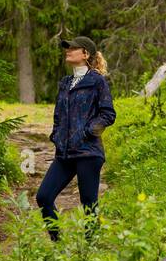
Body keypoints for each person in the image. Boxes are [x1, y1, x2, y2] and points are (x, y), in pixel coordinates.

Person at [36, 35, 116, 241]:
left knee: (88, 202)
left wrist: (88, 131)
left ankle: (90, 249)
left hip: (88, 152)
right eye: (67, 48)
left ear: (85, 54)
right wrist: (56, 134)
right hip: (64, 153)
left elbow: (108, 114)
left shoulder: (97, 81)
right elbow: (58, 114)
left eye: (73, 48)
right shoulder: (65, 83)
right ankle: (58, 243)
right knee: (43, 196)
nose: (68, 51)